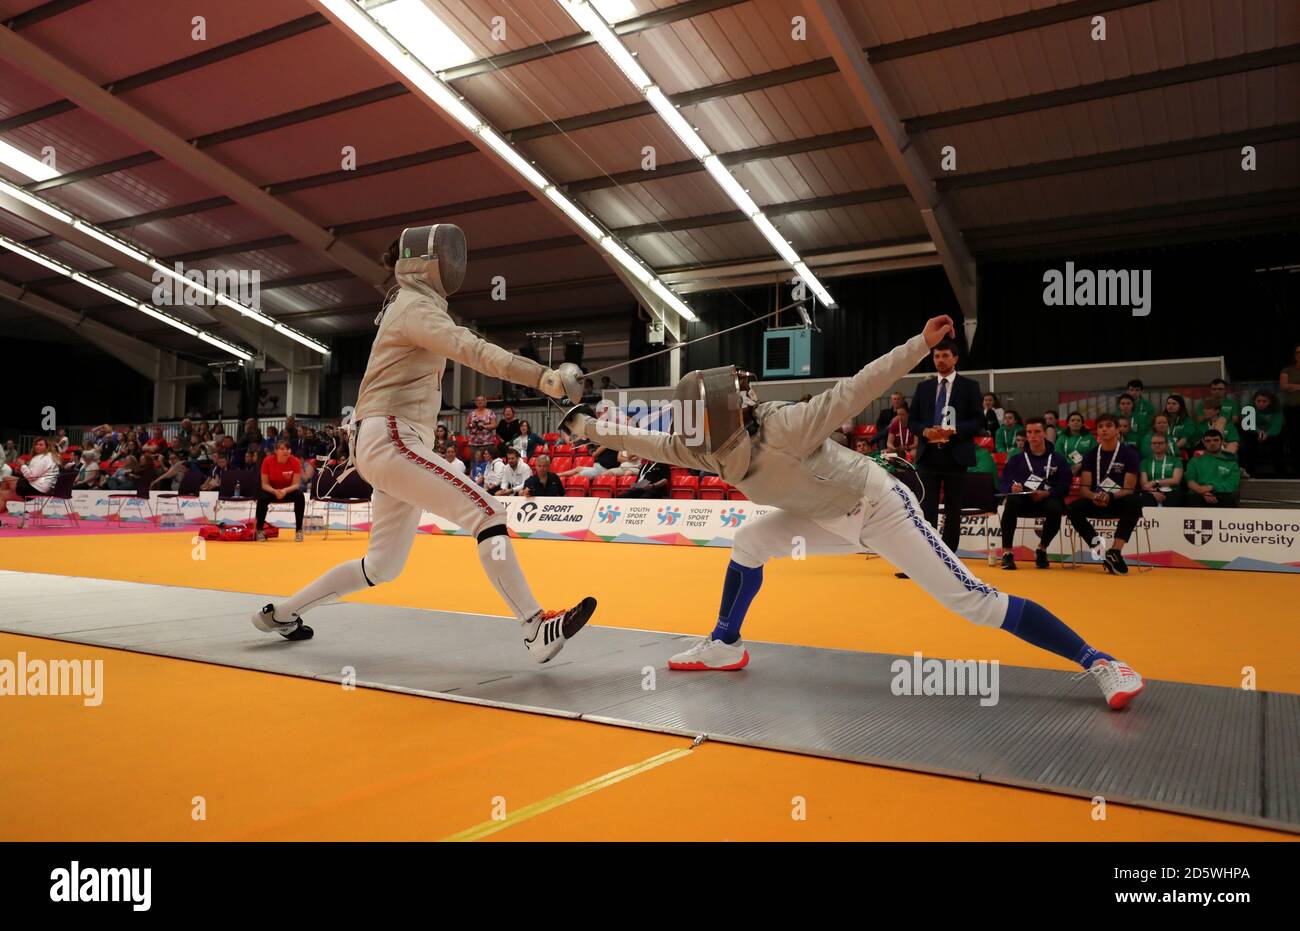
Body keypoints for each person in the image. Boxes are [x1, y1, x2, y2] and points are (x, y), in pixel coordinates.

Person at [561, 315, 1144, 710]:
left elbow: (858, 388)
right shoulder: (705, 450)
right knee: (750, 543)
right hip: (822, 520)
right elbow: (642, 440)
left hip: (879, 508)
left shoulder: (786, 424)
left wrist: (919, 346)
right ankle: (725, 644)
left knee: (974, 602)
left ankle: (1099, 661)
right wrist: (581, 423)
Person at [252, 224, 595, 662]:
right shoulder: (415, 308)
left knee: (381, 567)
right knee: (487, 511)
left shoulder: (409, 305)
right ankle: (534, 627)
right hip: (391, 437)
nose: (455, 265)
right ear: (427, 263)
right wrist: (543, 377)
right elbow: (473, 350)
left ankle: (282, 613)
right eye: (447, 257)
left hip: (387, 443)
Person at [910, 338, 983, 555]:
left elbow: (978, 422)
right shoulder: (923, 387)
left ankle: (948, 559)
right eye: (936, 356)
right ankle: (925, 556)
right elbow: (912, 421)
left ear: (955, 358)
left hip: (956, 455)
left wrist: (954, 430)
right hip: (928, 456)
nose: (940, 360)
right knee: (925, 510)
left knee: (953, 510)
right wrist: (925, 431)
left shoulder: (970, 386)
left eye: (945, 355)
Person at [1065, 414, 1144, 575]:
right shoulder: (1091, 454)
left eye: (1108, 426)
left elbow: (1129, 488)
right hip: (1096, 500)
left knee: (1135, 500)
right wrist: (1094, 496)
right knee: (1073, 508)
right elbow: (1084, 489)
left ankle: (1115, 551)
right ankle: (1101, 552)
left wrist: (1111, 496)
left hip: (1118, 500)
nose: (1104, 429)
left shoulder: (1129, 454)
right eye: (1100, 427)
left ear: (1117, 430)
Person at [998, 418, 1070, 570]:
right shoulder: (1016, 459)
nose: (1032, 436)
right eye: (1029, 432)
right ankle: (1007, 553)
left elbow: (1065, 487)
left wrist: (1047, 493)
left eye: (1037, 432)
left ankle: (1042, 549)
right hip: (1023, 501)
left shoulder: (1058, 459)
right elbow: (1003, 484)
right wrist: (1012, 488)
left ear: (1044, 434)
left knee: (1056, 507)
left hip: (1047, 500)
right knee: (1011, 501)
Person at [1184, 431, 1240, 507]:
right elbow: (1190, 481)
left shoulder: (1231, 463)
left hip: (1222, 494)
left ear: (1222, 442)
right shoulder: (1194, 461)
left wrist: (1210, 487)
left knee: (1229, 497)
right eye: (1208, 441)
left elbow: (1232, 484)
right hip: (1198, 494)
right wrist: (1202, 492)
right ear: (1204, 443)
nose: (1212, 443)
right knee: (1192, 497)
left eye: (1216, 440)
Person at [1238, 390, 1285, 477]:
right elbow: (1248, 424)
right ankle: (1250, 470)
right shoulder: (1248, 408)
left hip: (1271, 433)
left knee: (1278, 442)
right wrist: (1259, 432)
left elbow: (1276, 425)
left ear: (1270, 402)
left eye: (1264, 401)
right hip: (1254, 432)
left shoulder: (1277, 409)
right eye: (1258, 401)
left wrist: (1267, 434)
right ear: (1254, 401)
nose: (1261, 403)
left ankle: (1280, 471)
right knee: (1249, 441)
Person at [1139, 433, 1184, 508]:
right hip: (1151, 491)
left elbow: (1176, 480)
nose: (1157, 445)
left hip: (1172, 491)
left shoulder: (1176, 461)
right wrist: (1154, 492)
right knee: (1146, 498)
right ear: (1150, 445)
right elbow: (1144, 484)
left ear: (1166, 445)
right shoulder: (1144, 462)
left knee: (1175, 498)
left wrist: (1155, 482)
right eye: (1154, 443)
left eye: (1160, 443)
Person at [1279, 343, 1300, 475]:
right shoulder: (1287, 370)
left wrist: (1294, 386)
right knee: (1294, 439)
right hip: (1293, 410)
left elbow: (1289, 386)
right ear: (1295, 355)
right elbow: (1284, 386)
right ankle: (1297, 468)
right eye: (1298, 352)